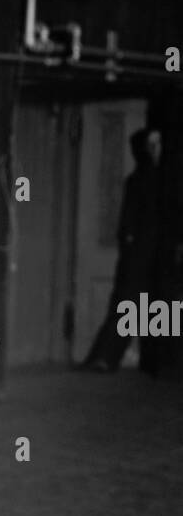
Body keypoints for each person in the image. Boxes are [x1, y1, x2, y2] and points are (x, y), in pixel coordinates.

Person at [82, 127, 164, 375]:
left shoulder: (156, 179)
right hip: (140, 257)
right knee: (129, 305)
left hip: (148, 257)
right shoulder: (143, 179)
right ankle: (107, 357)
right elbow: (128, 226)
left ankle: (112, 357)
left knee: (140, 307)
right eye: (153, 145)